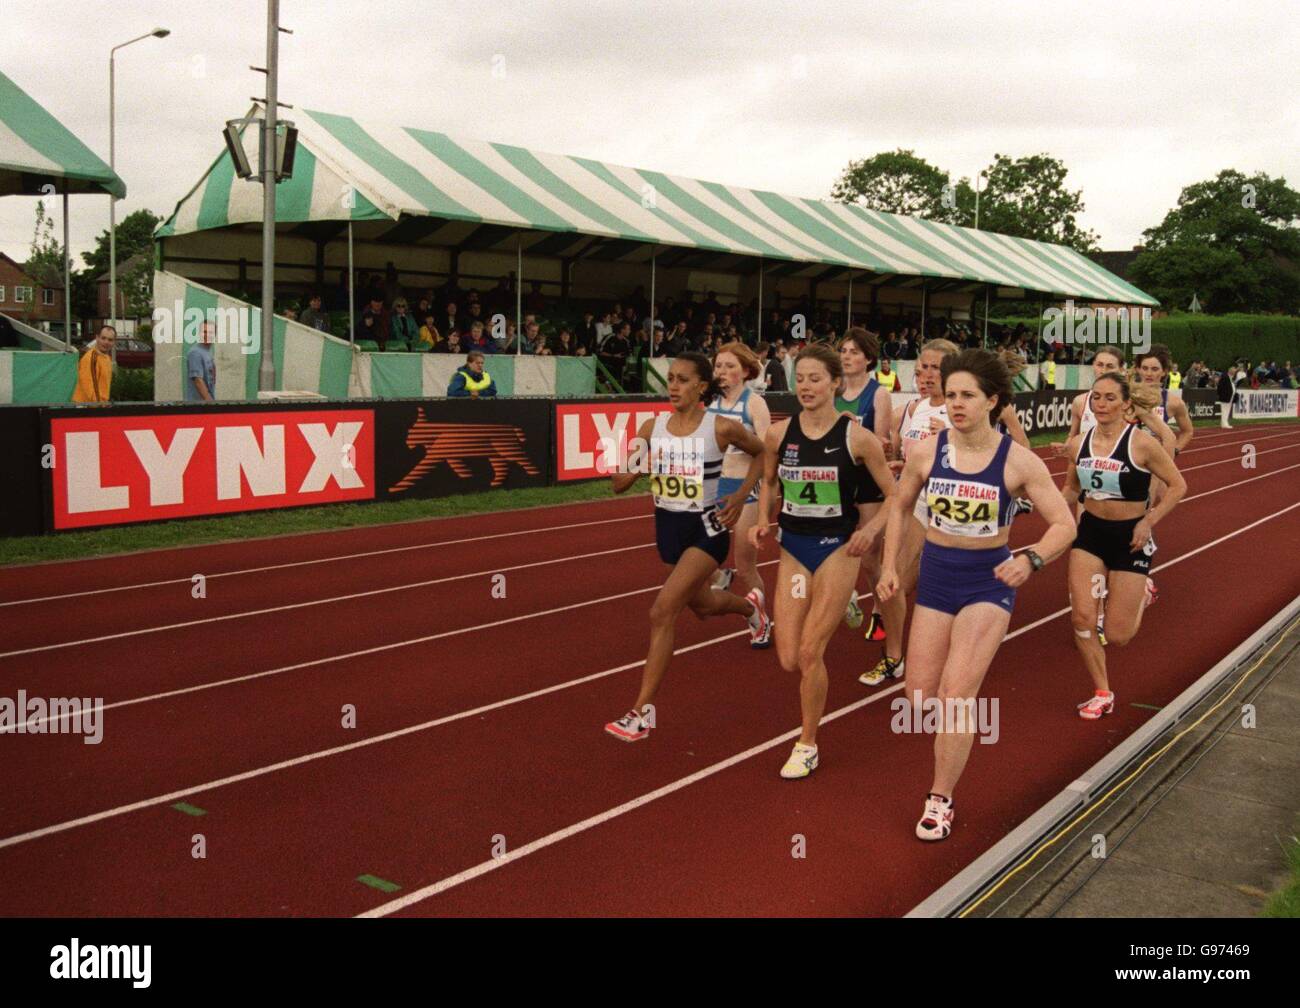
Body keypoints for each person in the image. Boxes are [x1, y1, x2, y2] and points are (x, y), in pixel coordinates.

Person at [877, 349, 1075, 840]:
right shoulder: (927, 452)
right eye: (950, 396)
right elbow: (900, 506)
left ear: (993, 400)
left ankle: (939, 798)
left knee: (955, 696)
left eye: (967, 395)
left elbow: (1064, 524)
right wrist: (888, 567)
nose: (956, 404)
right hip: (939, 578)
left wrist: (1030, 560)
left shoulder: (1019, 462)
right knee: (919, 697)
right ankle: (949, 736)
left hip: (989, 581)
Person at [604, 353, 771, 742]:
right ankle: (752, 608)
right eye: (670, 379)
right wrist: (638, 467)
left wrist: (743, 494)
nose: (673, 387)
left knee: (662, 611)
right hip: (669, 533)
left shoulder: (721, 428)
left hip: (706, 532)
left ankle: (640, 713)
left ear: (701, 387)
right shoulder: (652, 426)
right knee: (704, 606)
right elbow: (617, 482)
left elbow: (762, 452)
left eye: (682, 380)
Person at [749, 344, 897, 778]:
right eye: (801, 379)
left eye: (816, 379)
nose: (806, 387)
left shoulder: (857, 438)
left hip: (837, 548)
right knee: (789, 658)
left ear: (835, 383)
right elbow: (769, 482)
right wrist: (762, 519)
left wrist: (869, 531)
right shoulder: (778, 435)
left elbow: (894, 495)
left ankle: (807, 743)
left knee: (812, 652)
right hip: (794, 550)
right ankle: (846, 604)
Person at [1064, 373, 1185, 720]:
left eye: (1109, 399)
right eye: (1096, 398)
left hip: (1129, 538)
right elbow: (1071, 491)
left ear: (1126, 404)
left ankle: (1142, 592)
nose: (1101, 405)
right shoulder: (1078, 445)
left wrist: (1148, 521)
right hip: (1090, 536)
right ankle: (1102, 691)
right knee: (1083, 618)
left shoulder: (1143, 444)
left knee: (1117, 635)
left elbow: (1178, 486)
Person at [706, 342, 772, 607]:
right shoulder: (710, 403)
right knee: (695, 551)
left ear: (745, 371)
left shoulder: (755, 404)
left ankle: (760, 618)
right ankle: (720, 576)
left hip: (746, 488)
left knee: (745, 566)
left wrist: (770, 491)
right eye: (718, 366)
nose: (722, 371)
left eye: (729, 366)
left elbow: (768, 451)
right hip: (713, 486)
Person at [72, 325, 116, 404]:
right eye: (103, 338)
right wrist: (99, 406)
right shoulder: (91, 358)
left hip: (98, 405)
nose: (106, 342)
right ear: (97, 338)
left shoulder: (106, 357)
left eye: (110, 340)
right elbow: (89, 386)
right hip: (88, 407)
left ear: (114, 342)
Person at [185, 321, 217, 402]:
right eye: (204, 332)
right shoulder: (195, 353)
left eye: (211, 332)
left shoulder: (206, 352)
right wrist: (210, 403)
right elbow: (198, 381)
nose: (207, 335)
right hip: (198, 407)